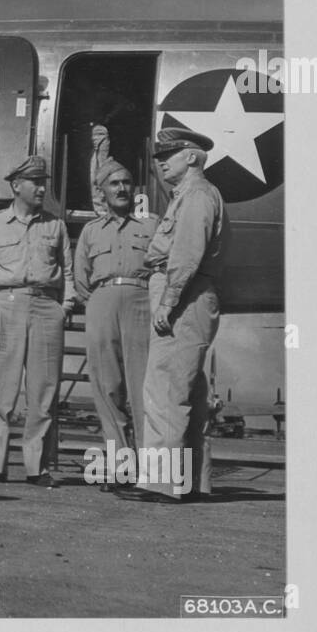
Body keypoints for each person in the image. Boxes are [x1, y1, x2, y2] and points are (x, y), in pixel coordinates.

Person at [0, 155, 75, 487]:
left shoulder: (56, 226)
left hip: (46, 308)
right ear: (16, 186)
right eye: (35, 183)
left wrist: (64, 308)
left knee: (43, 391)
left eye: (43, 183)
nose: (41, 188)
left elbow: (68, 273)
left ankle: (37, 467)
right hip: (2, 309)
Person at [139, 127, 231, 500]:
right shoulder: (197, 195)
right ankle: (192, 482)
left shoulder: (195, 196)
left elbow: (186, 254)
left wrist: (168, 301)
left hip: (183, 296)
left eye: (168, 155)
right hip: (192, 297)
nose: (161, 162)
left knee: (164, 390)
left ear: (191, 157)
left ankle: (161, 483)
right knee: (188, 391)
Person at [73, 158, 159, 489]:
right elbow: (81, 279)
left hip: (141, 302)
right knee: (107, 387)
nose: (122, 188)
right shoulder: (91, 231)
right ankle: (122, 469)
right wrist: (99, 303)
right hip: (102, 302)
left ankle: (150, 472)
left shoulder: (151, 224)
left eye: (126, 182)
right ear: (102, 191)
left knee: (142, 388)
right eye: (114, 183)